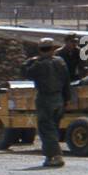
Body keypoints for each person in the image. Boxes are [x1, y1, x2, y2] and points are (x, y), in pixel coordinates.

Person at [24, 37, 71, 168]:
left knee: (46, 128)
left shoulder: (38, 65)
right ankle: (50, 156)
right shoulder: (60, 62)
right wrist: (67, 99)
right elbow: (67, 82)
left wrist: (32, 60)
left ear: (40, 50)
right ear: (53, 48)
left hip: (45, 99)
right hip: (59, 99)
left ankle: (55, 156)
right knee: (53, 128)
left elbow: (26, 72)